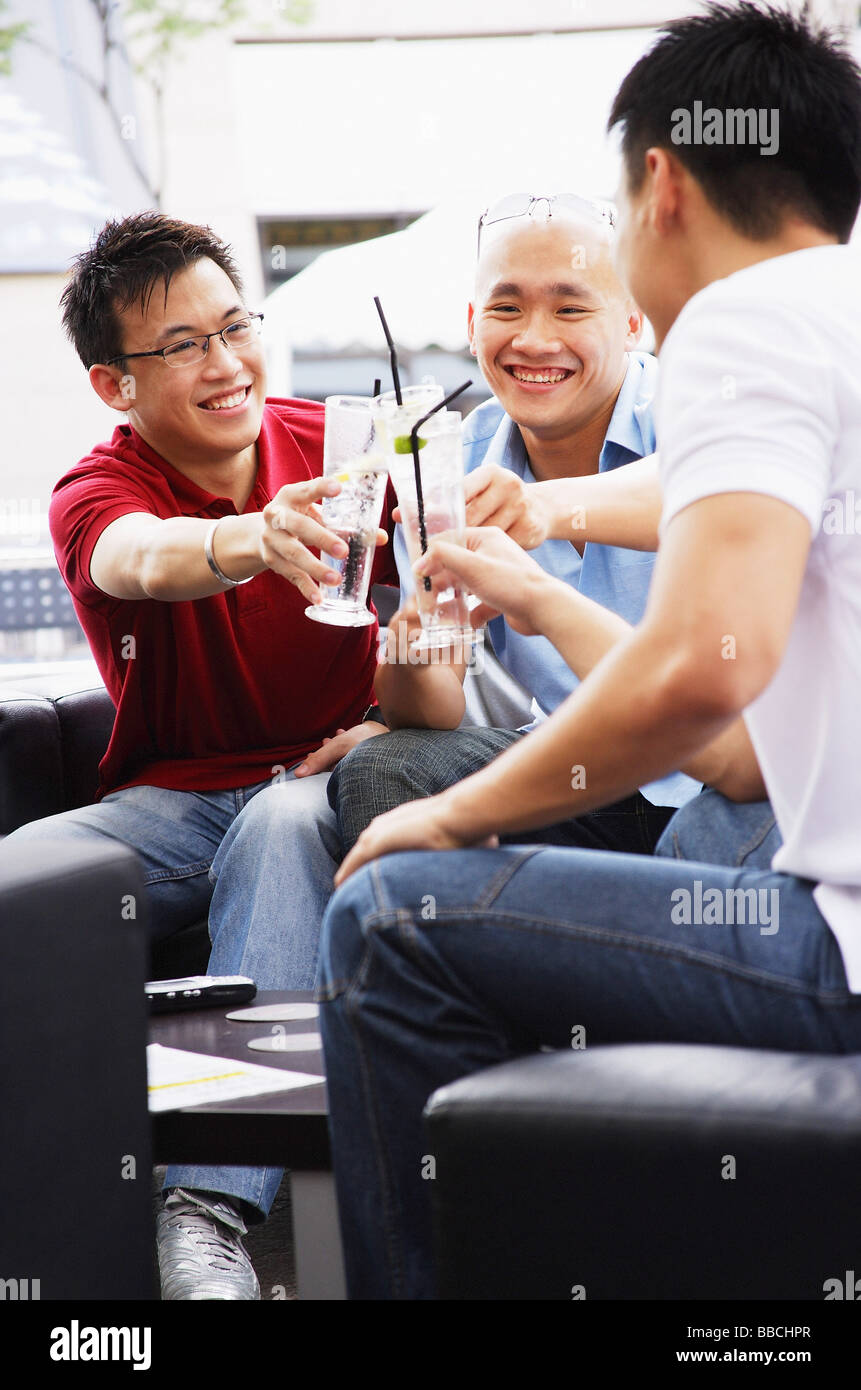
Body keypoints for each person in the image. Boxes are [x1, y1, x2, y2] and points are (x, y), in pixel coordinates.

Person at [316, 0, 861, 1299]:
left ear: (660, 184)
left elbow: (702, 677)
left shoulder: (741, 321)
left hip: (828, 949)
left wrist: (451, 816)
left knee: (386, 915)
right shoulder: (837, 312)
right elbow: (695, 488)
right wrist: (537, 517)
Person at [1, 212, 397, 1298]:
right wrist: (250, 539)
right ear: (112, 384)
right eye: (181, 347)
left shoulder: (347, 452)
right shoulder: (98, 488)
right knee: (22, 877)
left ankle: (206, 1212)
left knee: (281, 825)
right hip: (171, 804)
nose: (226, 364)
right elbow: (138, 559)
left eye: (234, 327)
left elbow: (461, 609)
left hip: (325, 785)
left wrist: (399, 724)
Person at [332, 194, 704, 857]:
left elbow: (706, 488)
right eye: (506, 309)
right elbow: (434, 704)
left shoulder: (694, 402)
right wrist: (413, 649)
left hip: (718, 768)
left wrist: (543, 507)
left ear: (630, 323)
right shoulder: (453, 457)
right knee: (383, 770)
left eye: (569, 307)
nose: (533, 338)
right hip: (576, 775)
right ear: (473, 325)